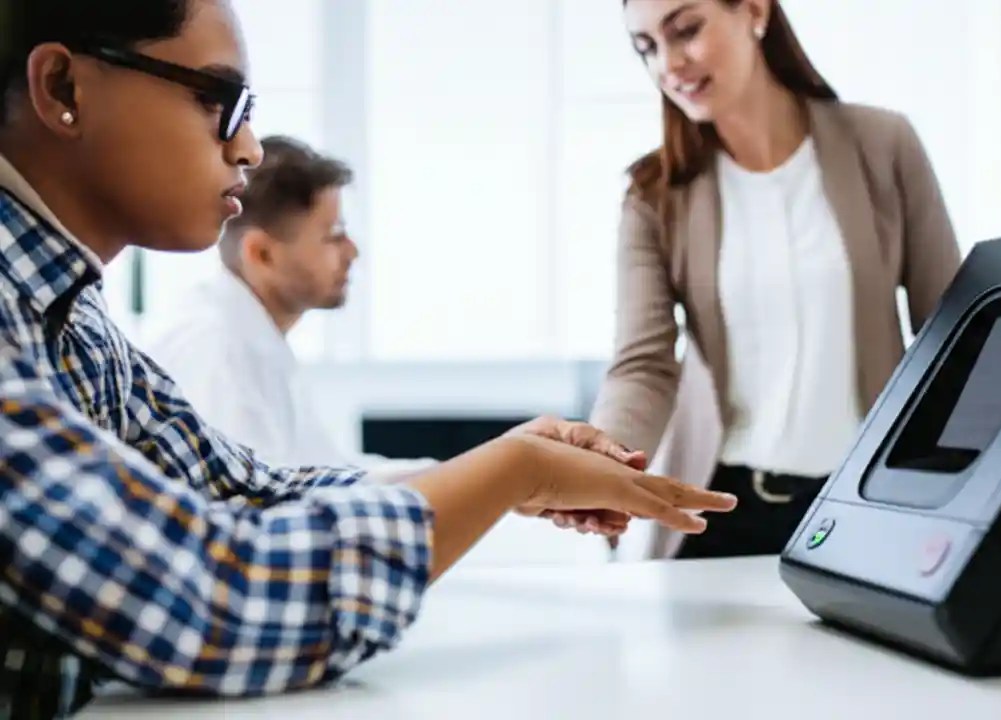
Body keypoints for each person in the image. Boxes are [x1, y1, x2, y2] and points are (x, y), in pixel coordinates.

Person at [0, 1, 737, 717]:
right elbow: (210, 602)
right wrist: (516, 470)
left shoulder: (75, 317)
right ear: (64, 89)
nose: (249, 146)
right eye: (218, 99)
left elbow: (243, 489)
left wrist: (508, 464)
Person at [592, 0, 962, 560]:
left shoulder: (883, 145)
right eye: (646, 47)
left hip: (864, 504)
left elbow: (954, 331)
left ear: (755, 12)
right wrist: (600, 463)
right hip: (723, 510)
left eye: (686, 30)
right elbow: (643, 364)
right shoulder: (654, 194)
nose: (669, 64)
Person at [147, 134, 430, 477]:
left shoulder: (251, 333)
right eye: (334, 235)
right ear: (261, 254)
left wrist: (475, 474)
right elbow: (264, 507)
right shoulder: (215, 349)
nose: (352, 251)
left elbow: (332, 474)